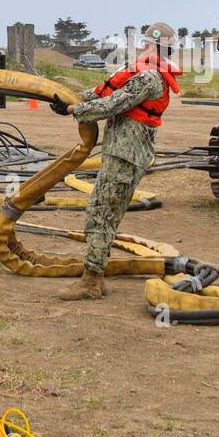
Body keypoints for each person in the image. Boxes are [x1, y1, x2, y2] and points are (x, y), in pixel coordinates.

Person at [51, 22, 181, 301]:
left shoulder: (150, 78)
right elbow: (105, 92)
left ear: (154, 48)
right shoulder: (144, 72)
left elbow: (115, 103)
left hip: (126, 157)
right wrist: (66, 99)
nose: (144, 48)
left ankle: (92, 281)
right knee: (102, 211)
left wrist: (75, 109)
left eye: (148, 45)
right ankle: (94, 274)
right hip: (122, 154)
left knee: (101, 213)